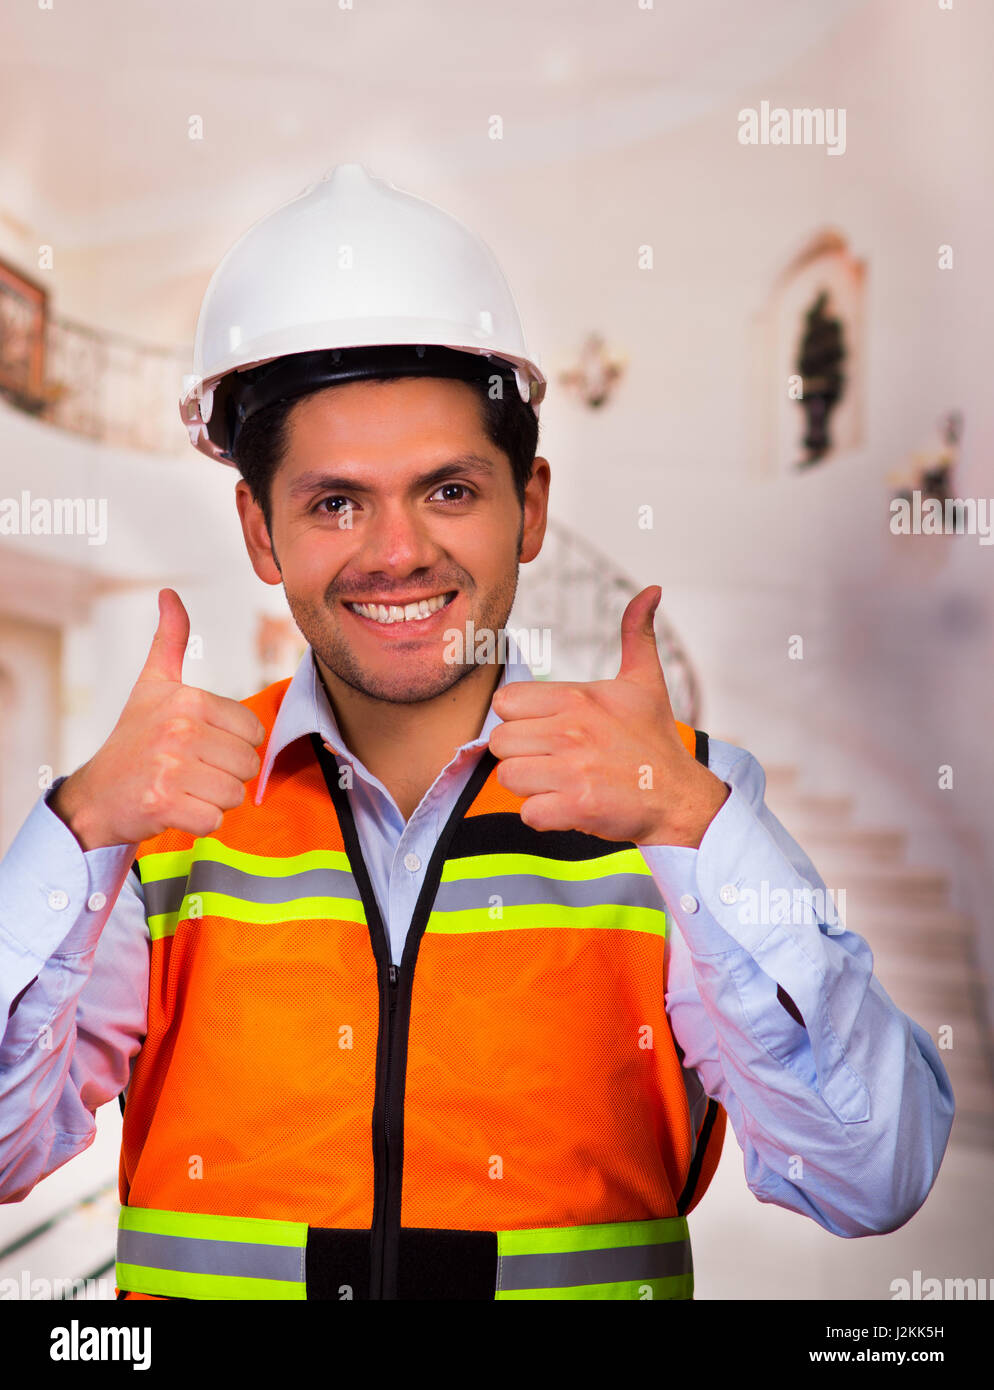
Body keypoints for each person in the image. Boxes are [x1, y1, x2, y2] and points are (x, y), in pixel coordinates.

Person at [0, 165, 954, 1301]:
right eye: (335, 501)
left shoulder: (681, 809)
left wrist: (697, 827)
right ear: (259, 529)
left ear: (530, 507)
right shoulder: (155, 827)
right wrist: (76, 829)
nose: (395, 551)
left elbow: (870, 1175)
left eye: (447, 490)